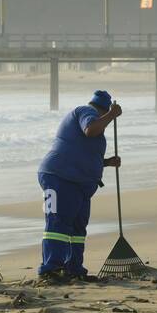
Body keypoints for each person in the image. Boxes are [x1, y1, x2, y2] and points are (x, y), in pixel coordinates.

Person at [37, 90, 121, 279]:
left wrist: (106, 162)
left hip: (79, 183)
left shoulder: (96, 120)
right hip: (59, 177)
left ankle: (73, 267)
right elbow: (90, 130)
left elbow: (83, 152)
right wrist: (112, 115)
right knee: (57, 223)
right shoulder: (85, 111)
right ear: (103, 109)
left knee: (77, 228)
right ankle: (51, 268)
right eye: (106, 114)